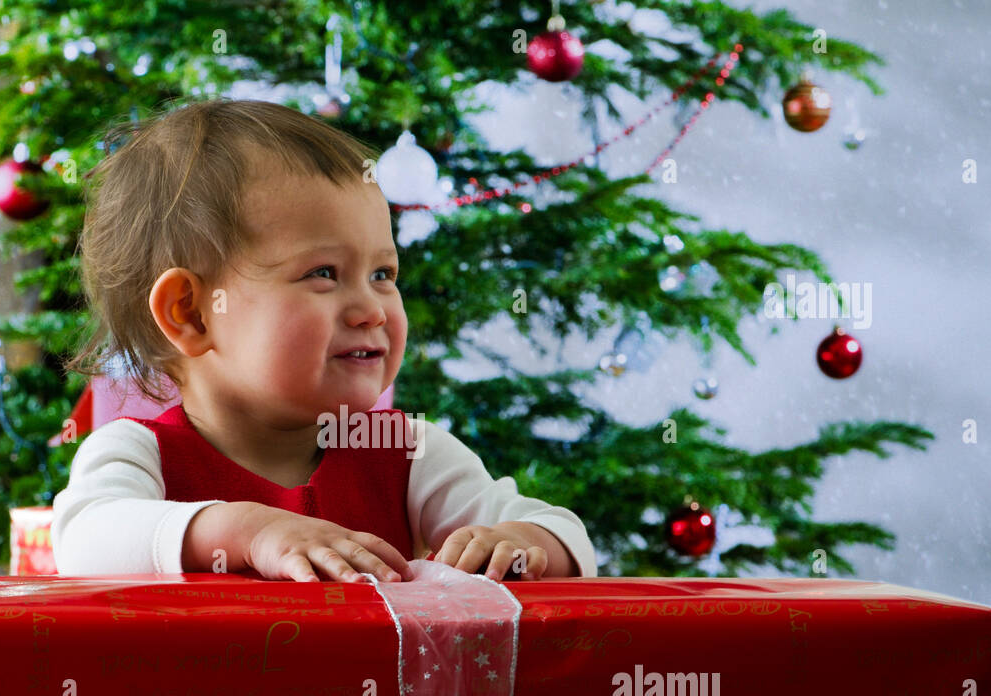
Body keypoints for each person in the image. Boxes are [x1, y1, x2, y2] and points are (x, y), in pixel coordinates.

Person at [52, 96, 596, 584]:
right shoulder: (138, 454)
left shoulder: (407, 453)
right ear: (191, 314)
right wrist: (248, 531)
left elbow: (561, 535)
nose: (371, 310)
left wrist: (527, 543)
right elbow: (83, 543)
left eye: (383, 274)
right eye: (325, 274)